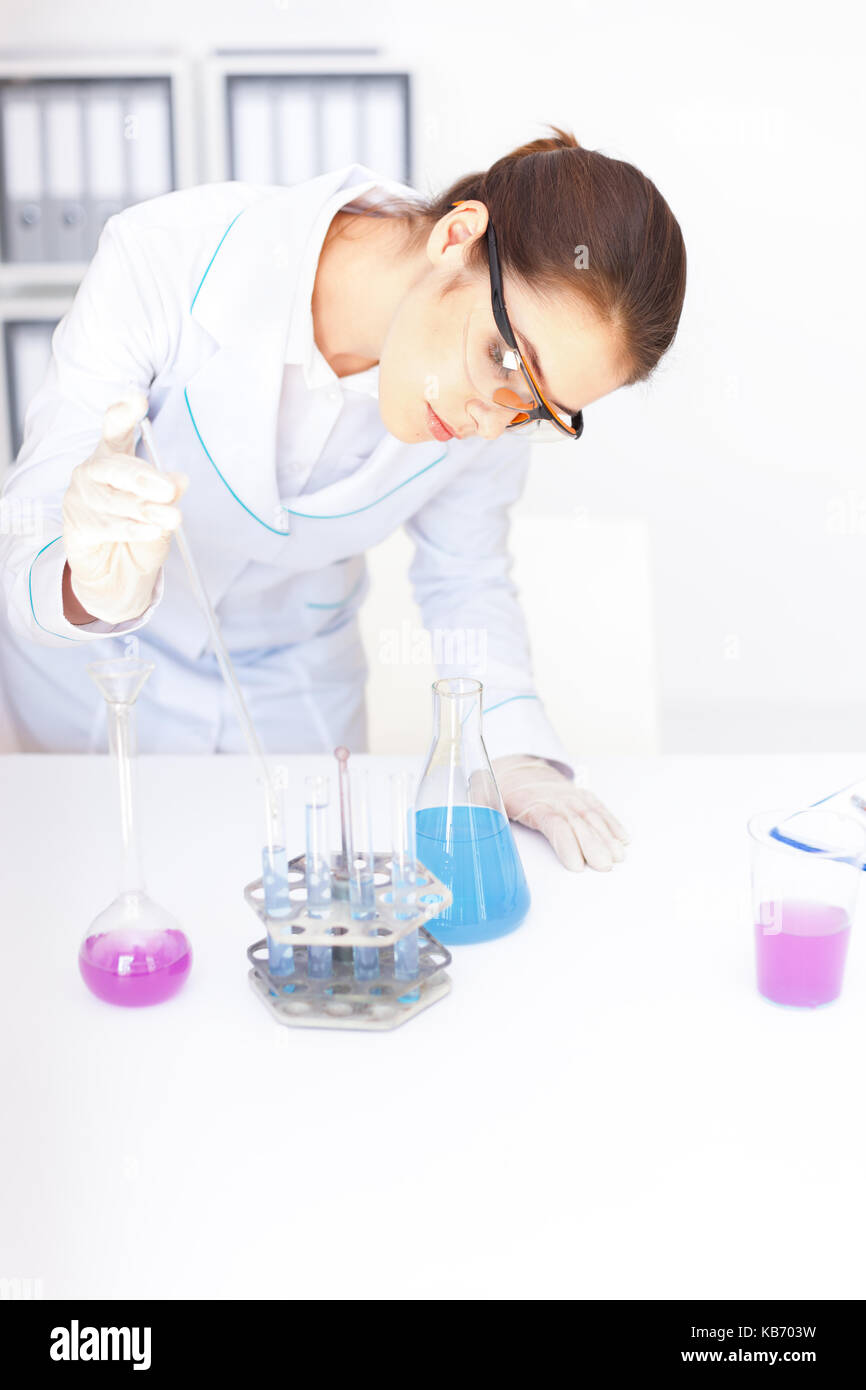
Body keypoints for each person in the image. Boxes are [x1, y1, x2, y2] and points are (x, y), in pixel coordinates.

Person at [0, 125, 686, 872]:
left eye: (537, 411)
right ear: (458, 236)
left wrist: (512, 751)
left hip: (296, 700)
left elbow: (466, 577)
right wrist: (84, 577)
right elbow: (32, 523)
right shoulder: (168, 255)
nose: (493, 421)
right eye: (506, 359)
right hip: (96, 692)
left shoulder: (489, 416)